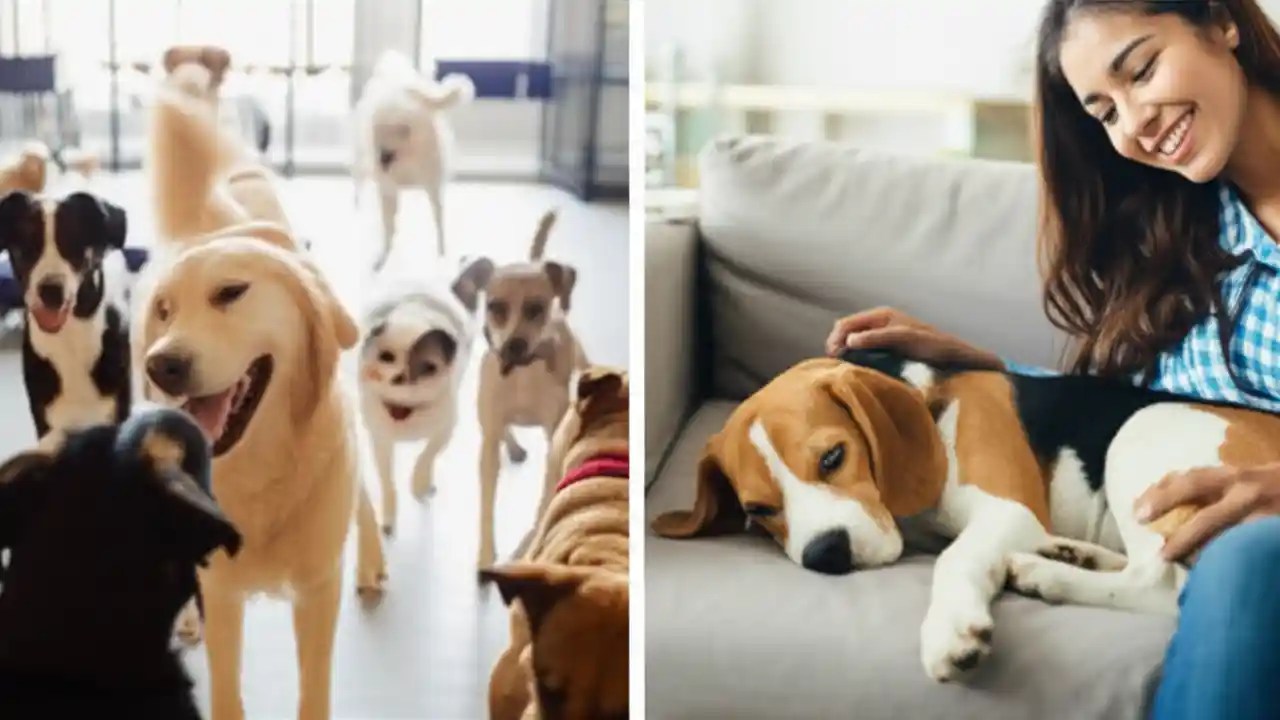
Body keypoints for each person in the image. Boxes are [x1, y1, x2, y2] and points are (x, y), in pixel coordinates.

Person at [824, 2, 1280, 718]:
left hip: (1257, 561)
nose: (1135, 122)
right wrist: (979, 368)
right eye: (1104, 111)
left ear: (1220, 21)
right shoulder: (1173, 244)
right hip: (1222, 558)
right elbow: (1127, 415)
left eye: (1142, 69)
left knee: (1256, 563)